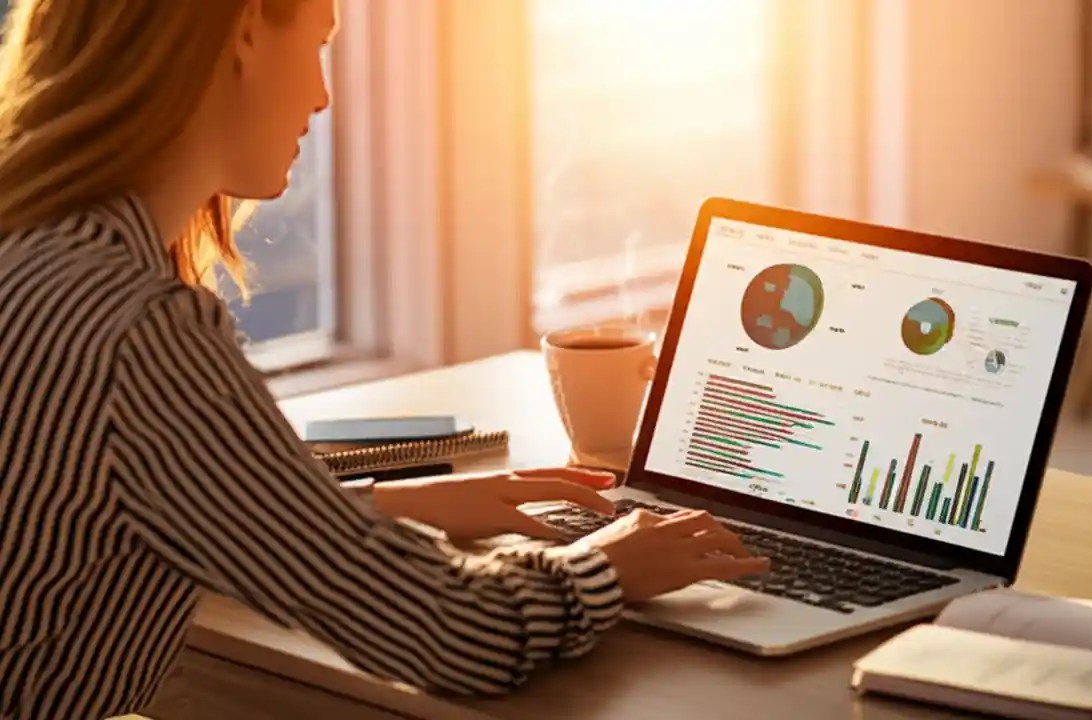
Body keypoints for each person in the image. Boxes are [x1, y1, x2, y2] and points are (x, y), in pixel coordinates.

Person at [0, 1, 769, 718]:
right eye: (316, 45)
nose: (322, 96)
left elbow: (129, 494)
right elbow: (454, 635)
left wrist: (384, 506)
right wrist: (607, 567)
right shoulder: (135, 329)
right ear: (241, 32)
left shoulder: (37, 255)